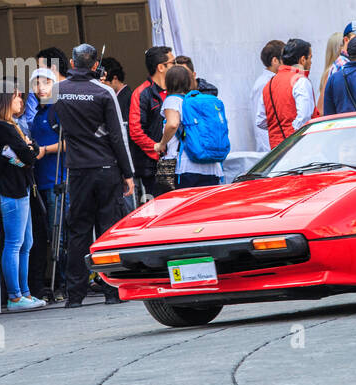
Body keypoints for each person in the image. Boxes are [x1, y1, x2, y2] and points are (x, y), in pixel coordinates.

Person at [56, 44, 134, 308]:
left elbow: (57, 125)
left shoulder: (60, 90)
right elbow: (117, 134)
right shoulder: (104, 91)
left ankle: (74, 295)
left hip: (77, 170)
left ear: (71, 61)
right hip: (105, 168)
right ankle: (112, 291)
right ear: (95, 66)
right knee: (107, 228)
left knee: (78, 230)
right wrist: (128, 172)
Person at [0, 84, 46, 311]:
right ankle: (15, 296)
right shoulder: (1, 127)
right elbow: (29, 156)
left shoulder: (9, 126)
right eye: (17, 97)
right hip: (12, 190)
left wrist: (29, 147)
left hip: (20, 188)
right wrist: (28, 148)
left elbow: (33, 149)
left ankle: (25, 292)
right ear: (5, 99)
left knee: (25, 243)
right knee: (14, 243)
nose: (21, 101)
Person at [156, 65, 229, 189]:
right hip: (211, 167)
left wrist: (161, 144)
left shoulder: (173, 99)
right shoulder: (197, 100)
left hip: (186, 166)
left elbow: (173, 124)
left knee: (183, 207)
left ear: (167, 82)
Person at [28, 69, 67, 297]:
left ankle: (63, 284)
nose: (41, 88)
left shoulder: (58, 110)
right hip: (40, 182)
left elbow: (70, 142)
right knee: (47, 236)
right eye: (36, 83)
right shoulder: (37, 114)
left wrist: (44, 150)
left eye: (46, 82)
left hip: (57, 180)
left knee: (59, 235)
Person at [128, 45, 174, 198]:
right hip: (152, 164)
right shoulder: (141, 93)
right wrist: (156, 147)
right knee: (158, 207)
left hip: (177, 161)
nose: (176, 66)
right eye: (172, 63)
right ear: (161, 67)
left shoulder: (176, 89)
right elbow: (135, 131)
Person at [257, 38, 315, 148]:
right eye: (310, 58)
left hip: (276, 150)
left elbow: (260, 121)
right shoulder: (300, 81)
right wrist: (291, 133)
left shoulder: (268, 84)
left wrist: (278, 129)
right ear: (303, 60)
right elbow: (304, 117)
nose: (311, 62)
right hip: (298, 146)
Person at [252, 40, 284, 153]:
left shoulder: (275, 80)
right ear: (275, 60)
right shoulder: (263, 84)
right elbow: (259, 120)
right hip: (268, 148)